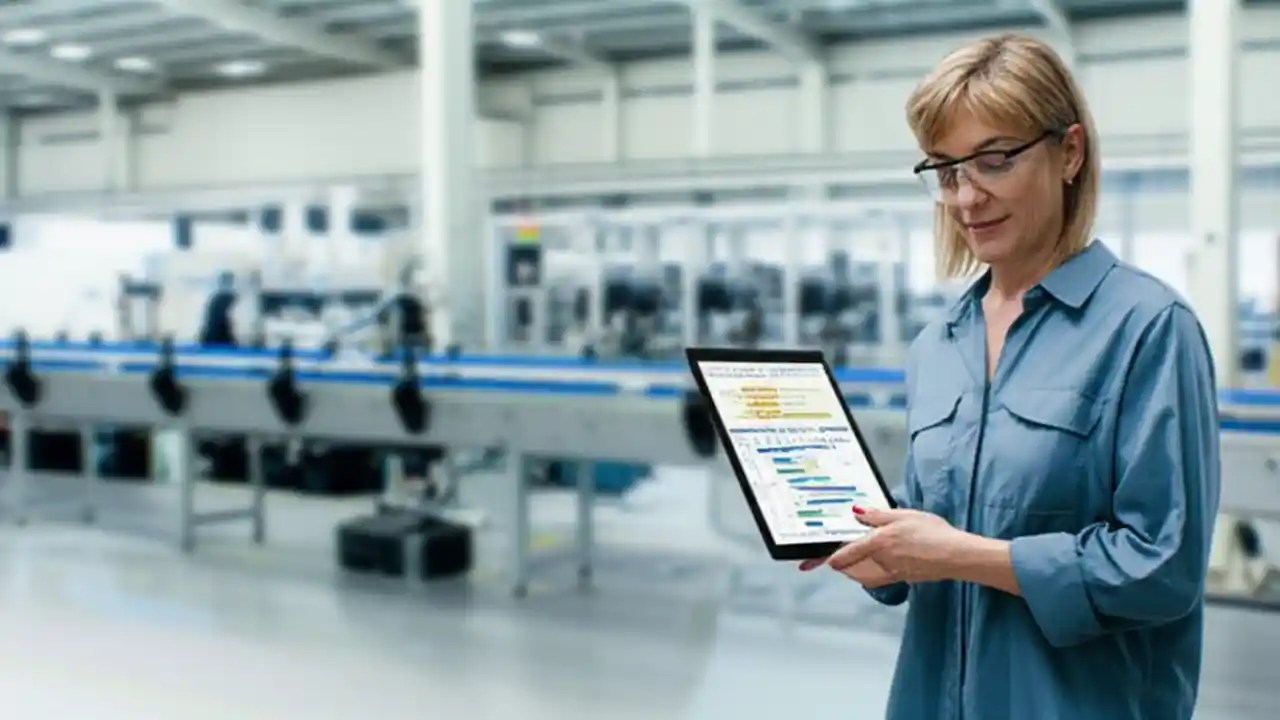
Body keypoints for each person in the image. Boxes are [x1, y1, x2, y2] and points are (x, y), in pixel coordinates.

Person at [799, 33, 1221, 719]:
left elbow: (1160, 569)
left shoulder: (1147, 328)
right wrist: (886, 549)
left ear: (1070, 153)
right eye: (944, 170)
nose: (967, 197)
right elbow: (952, 512)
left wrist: (961, 554)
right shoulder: (938, 345)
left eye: (994, 160)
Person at [198, 271, 238, 347]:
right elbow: (222, 325)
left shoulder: (216, 299)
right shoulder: (225, 299)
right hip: (218, 343)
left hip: (212, 342)